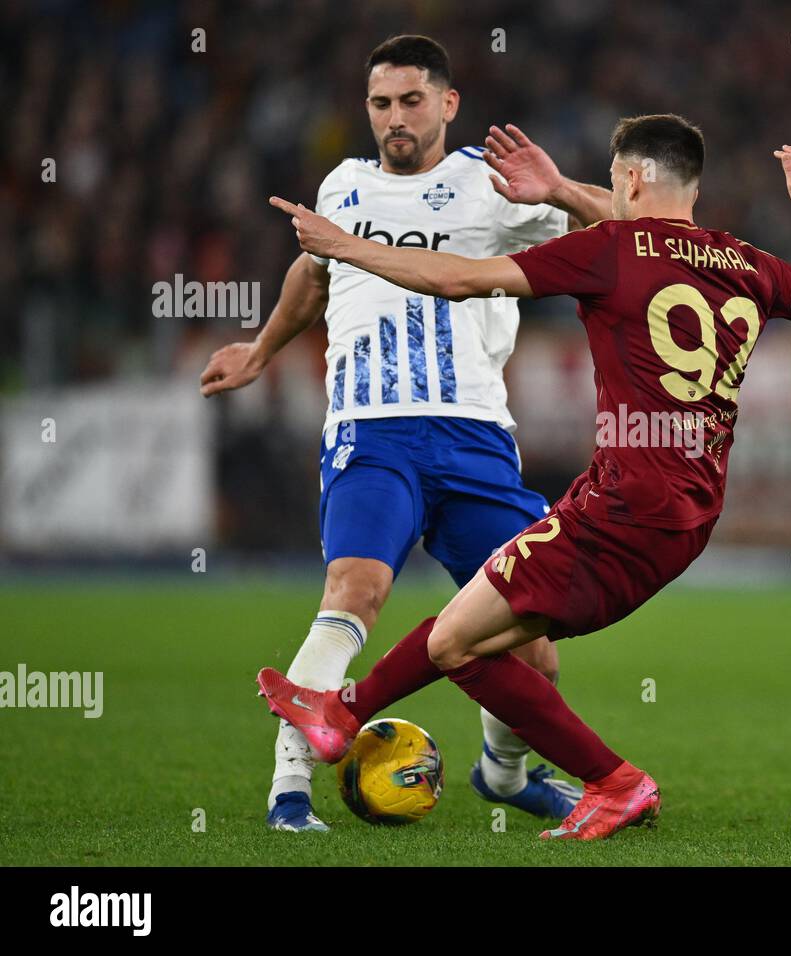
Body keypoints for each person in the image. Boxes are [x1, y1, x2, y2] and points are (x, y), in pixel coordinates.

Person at [258, 113, 791, 841]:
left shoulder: (608, 249)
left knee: (454, 642)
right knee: (479, 642)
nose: (609, 192)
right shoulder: (745, 263)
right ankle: (378, 727)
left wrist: (347, 248)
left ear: (633, 178)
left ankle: (606, 779)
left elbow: (457, 279)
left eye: (615, 180)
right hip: (691, 513)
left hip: (623, 504)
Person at [199, 35, 612, 831]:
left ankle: (503, 772)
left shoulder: (490, 188)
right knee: (357, 590)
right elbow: (313, 271)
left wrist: (559, 187)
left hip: (476, 436)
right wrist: (261, 348)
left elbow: (622, 227)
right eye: (381, 103)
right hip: (371, 432)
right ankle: (289, 789)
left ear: (448, 104)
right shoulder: (343, 185)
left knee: (533, 641)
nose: (395, 118)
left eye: (411, 101)